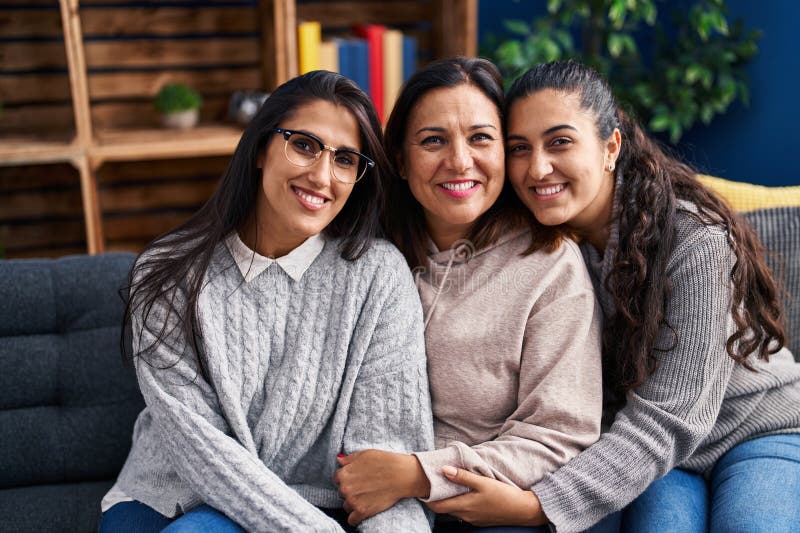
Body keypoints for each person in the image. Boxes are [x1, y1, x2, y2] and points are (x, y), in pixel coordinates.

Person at [430, 59, 800, 533]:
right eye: (520, 148)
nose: (537, 168)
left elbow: (670, 419)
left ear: (611, 148)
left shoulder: (696, 242)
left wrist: (536, 506)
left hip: (753, 429)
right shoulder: (536, 244)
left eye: (560, 142)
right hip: (651, 453)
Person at [98, 70, 435, 533]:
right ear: (261, 148)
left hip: (317, 503)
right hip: (177, 490)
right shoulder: (169, 273)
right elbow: (204, 453)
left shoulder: (378, 276)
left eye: (345, 159)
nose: (322, 175)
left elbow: (385, 461)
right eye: (304, 145)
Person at [333, 57, 611, 533]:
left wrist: (419, 474)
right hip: (354, 491)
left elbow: (559, 436)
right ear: (400, 159)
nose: (460, 161)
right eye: (433, 140)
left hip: (487, 506)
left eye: (481, 138)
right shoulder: (363, 251)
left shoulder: (549, 264)